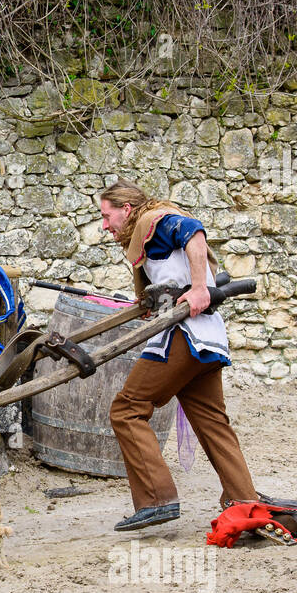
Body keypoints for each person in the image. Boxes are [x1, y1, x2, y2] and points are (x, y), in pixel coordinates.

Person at [97, 178, 256, 531]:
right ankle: (245, 501)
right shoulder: (148, 233)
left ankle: (157, 499)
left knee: (127, 410)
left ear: (126, 209)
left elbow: (194, 233)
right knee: (212, 422)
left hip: (183, 337)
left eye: (107, 216)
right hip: (208, 340)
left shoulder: (156, 221)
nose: (105, 225)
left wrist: (200, 288)